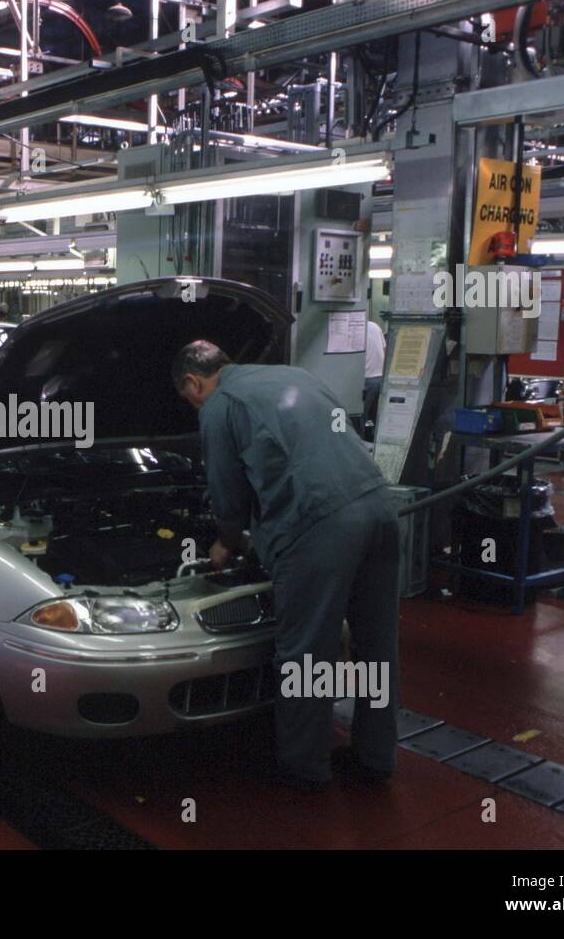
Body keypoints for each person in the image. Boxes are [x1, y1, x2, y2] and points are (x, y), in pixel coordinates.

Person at [172, 340, 400, 792]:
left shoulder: (219, 405)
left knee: (306, 654)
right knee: (378, 645)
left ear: (194, 383)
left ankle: (303, 769)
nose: (195, 405)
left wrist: (224, 543)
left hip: (320, 527)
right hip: (379, 508)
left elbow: (227, 492)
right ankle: (376, 758)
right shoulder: (296, 375)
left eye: (189, 398)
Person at [363, 319, 386, 439]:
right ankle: (373, 437)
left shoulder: (355, 328)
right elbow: (384, 349)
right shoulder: (375, 326)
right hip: (380, 376)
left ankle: (362, 441)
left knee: (361, 415)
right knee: (375, 415)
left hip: (366, 379)